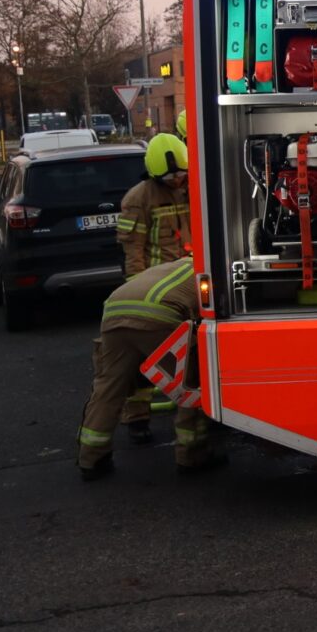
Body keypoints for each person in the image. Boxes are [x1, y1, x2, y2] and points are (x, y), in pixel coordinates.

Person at [75, 258, 219, 481]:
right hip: (159, 314)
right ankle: (192, 455)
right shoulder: (212, 271)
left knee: (109, 386)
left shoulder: (175, 266)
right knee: (190, 383)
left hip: (114, 310)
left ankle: (91, 458)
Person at [113, 133, 192, 442]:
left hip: (187, 280)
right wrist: (138, 290)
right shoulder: (139, 198)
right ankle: (137, 418)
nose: (177, 181)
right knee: (142, 355)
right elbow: (133, 251)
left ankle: (192, 407)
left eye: (181, 174)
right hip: (155, 287)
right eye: (171, 177)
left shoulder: (191, 189)